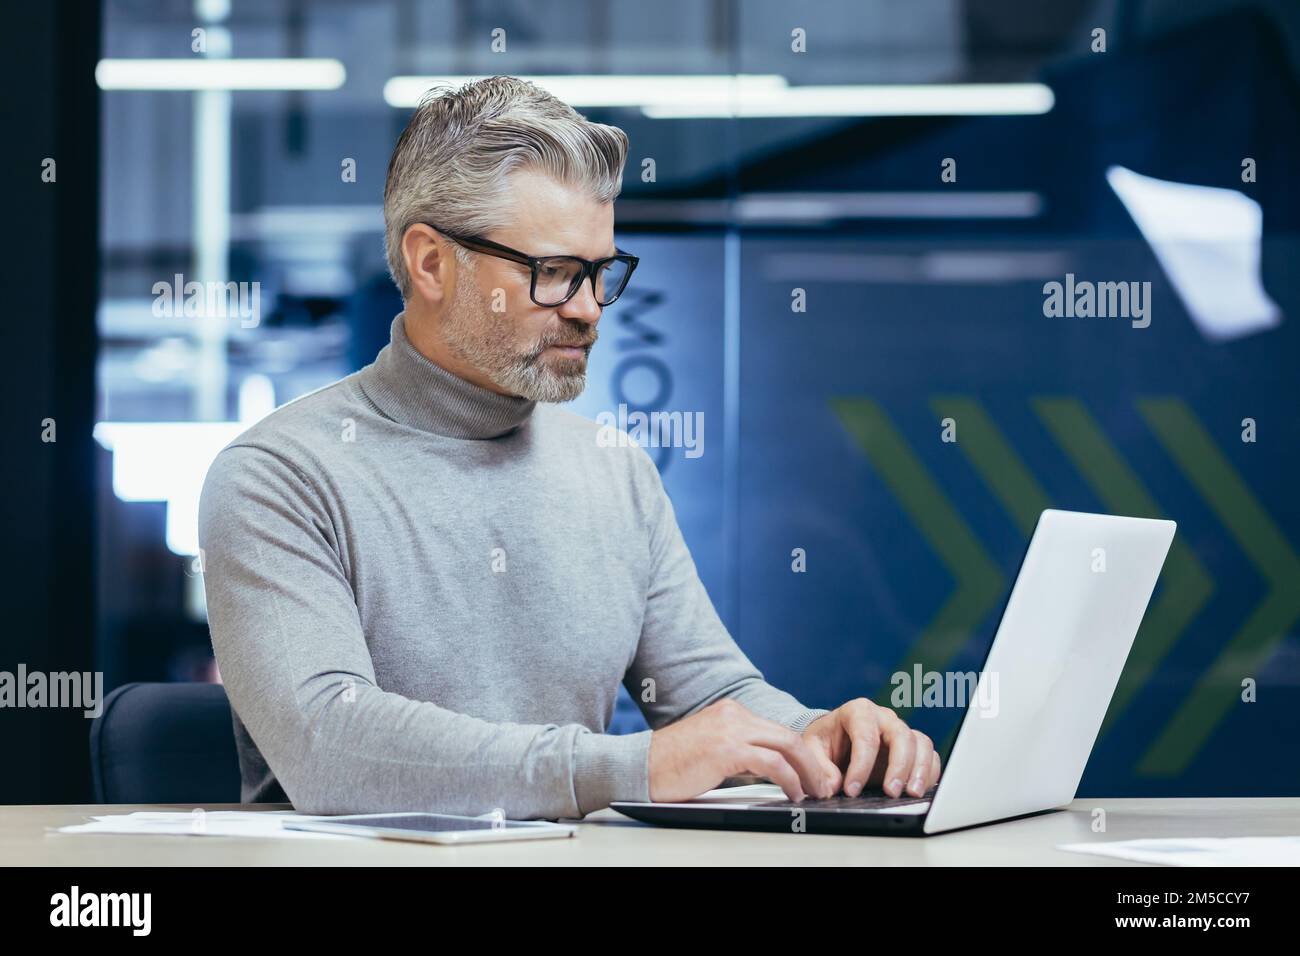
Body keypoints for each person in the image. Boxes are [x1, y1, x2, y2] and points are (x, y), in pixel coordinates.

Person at [198, 75, 940, 819]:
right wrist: (628, 766)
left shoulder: (613, 470)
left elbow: (712, 695)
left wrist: (817, 738)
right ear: (430, 264)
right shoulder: (279, 477)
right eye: (553, 273)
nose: (588, 310)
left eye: (599, 272)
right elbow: (330, 746)